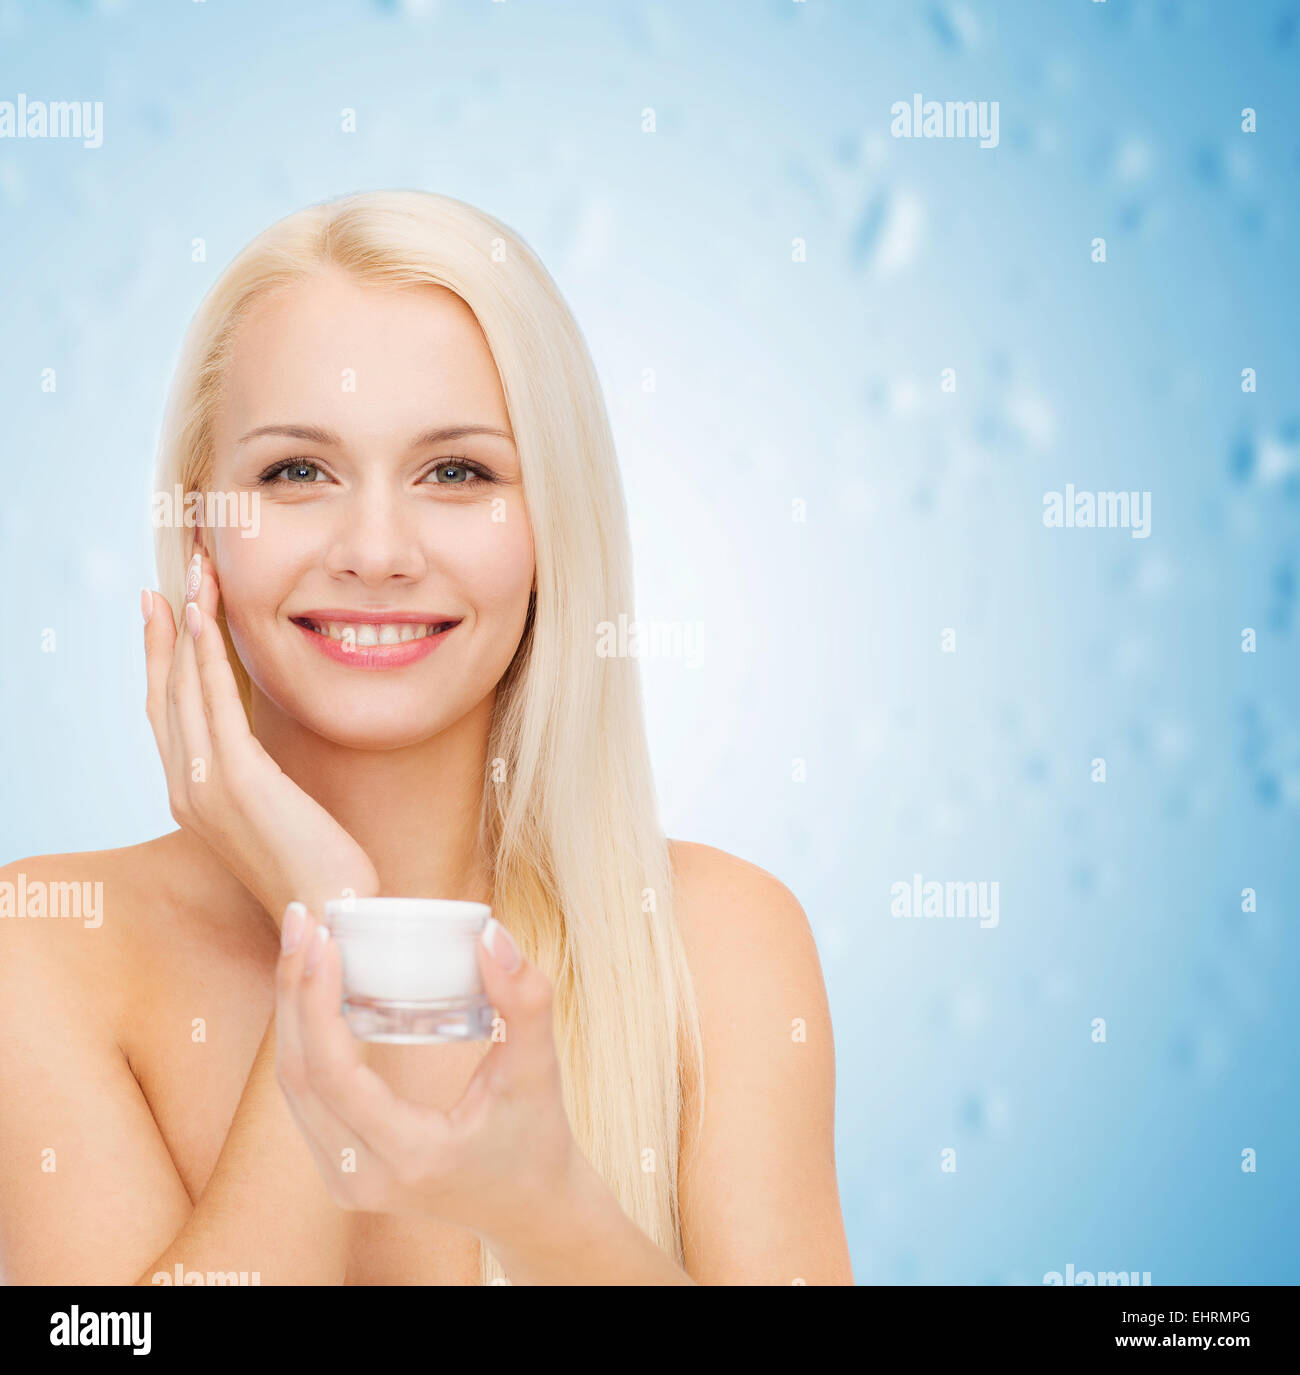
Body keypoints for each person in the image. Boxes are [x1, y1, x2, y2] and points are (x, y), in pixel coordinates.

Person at [0, 190, 852, 1285]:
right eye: (295, 472)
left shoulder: (719, 946)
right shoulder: (44, 948)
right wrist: (340, 930)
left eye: (458, 472)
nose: (376, 550)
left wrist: (551, 1218)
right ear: (199, 522)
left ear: (555, 522)